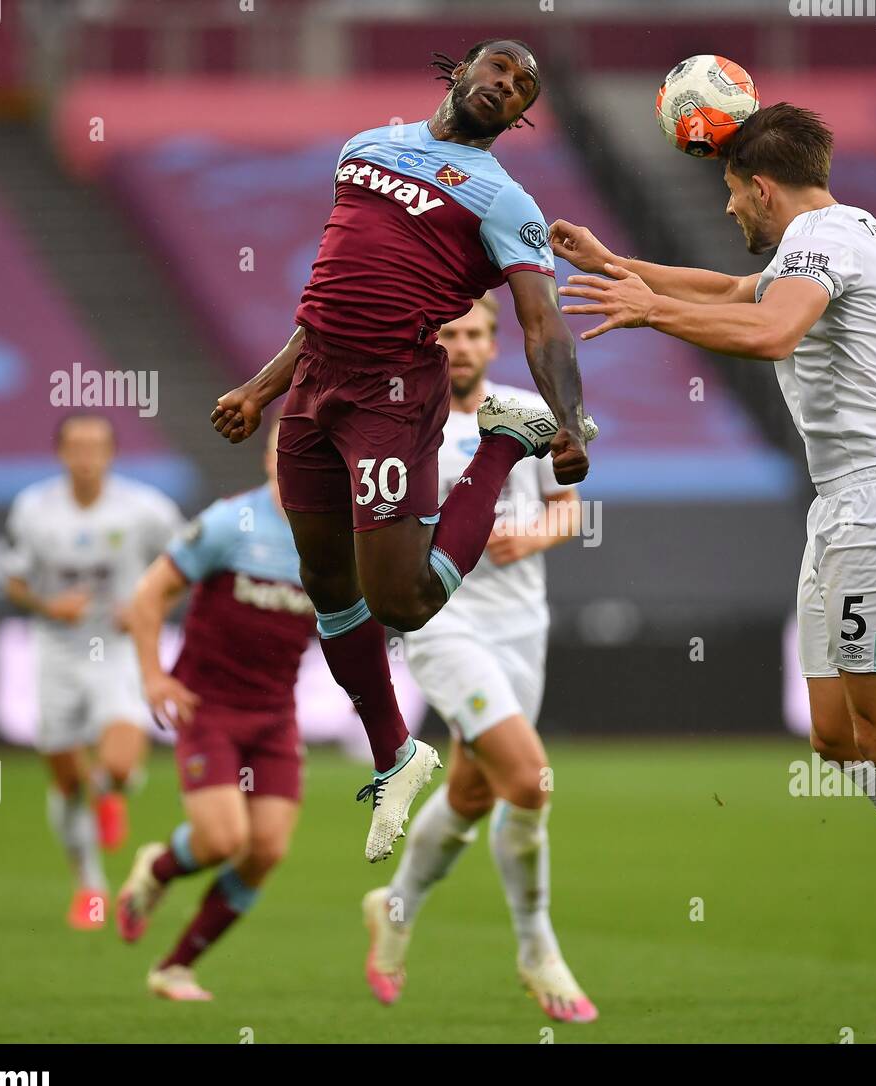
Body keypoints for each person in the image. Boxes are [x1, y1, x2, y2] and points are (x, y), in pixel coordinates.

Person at [552, 102, 876, 1036]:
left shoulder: (824, 239)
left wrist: (650, 313)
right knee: (837, 738)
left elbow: (770, 333)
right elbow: (740, 296)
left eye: (731, 193)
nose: (729, 209)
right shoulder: (828, 239)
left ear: (762, 187)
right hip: (847, 510)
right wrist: (620, 269)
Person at [211, 37, 596, 864]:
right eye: (497, 67)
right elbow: (331, 298)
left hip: (392, 392)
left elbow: (543, 323)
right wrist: (260, 388)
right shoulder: (366, 147)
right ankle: (395, 756)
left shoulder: (504, 197)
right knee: (325, 582)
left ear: (522, 115)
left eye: (523, 86)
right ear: (459, 71)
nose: (506, 85)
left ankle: (501, 442)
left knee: (405, 604)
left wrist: (569, 417)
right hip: (316, 382)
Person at [362, 293, 596, 1022]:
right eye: (448, 335)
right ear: (429, 343)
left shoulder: (527, 411)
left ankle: (394, 908)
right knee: (529, 781)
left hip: (520, 625)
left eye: (474, 334)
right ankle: (537, 947)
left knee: (471, 794)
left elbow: (572, 505)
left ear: (495, 342)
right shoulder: (401, 422)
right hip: (442, 625)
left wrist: (534, 536)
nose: (460, 347)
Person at [116, 425, 312, 1001]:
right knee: (224, 840)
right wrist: (154, 676)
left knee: (267, 850)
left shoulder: (336, 538)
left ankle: (174, 967)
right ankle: (157, 870)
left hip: (276, 715)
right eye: (289, 449)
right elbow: (149, 595)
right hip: (210, 709)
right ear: (270, 457)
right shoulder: (231, 523)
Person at [3, 413, 182, 929]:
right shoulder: (34, 510)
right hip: (57, 652)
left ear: (111, 452)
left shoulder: (146, 509)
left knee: (122, 764)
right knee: (64, 780)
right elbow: (14, 581)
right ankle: (90, 887)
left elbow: (188, 566)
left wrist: (147, 607)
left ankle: (113, 788)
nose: (86, 456)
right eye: (76, 447)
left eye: (96, 446)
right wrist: (46, 603)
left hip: (119, 648)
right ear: (61, 453)